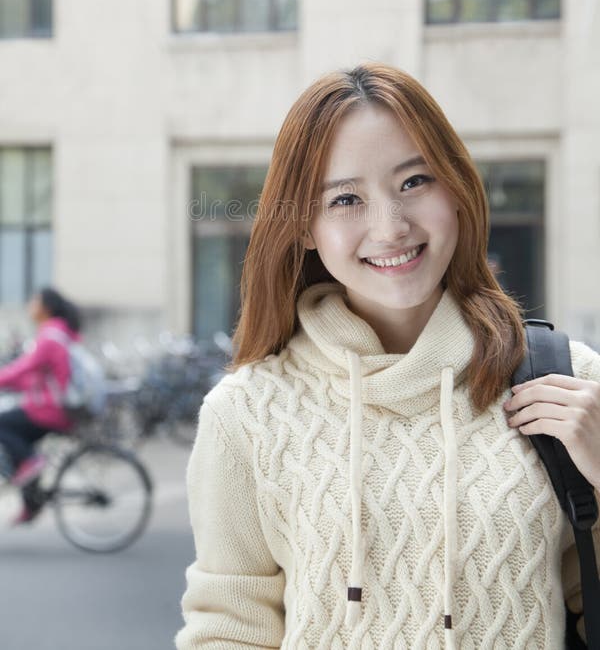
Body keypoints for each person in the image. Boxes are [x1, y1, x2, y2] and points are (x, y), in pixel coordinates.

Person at [175, 62, 600, 648]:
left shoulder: (568, 382)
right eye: (346, 198)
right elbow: (229, 626)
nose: (391, 227)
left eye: (414, 181)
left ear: (457, 188)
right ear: (304, 227)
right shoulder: (245, 415)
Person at [0, 286, 79, 524]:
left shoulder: (49, 337)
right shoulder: (59, 332)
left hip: (49, 410)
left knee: (4, 426)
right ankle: (30, 504)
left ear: (46, 308)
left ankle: (30, 465)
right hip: (52, 406)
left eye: (34, 301)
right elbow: (37, 376)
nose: (30, 306)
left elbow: (25, 367)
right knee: (20, 446)